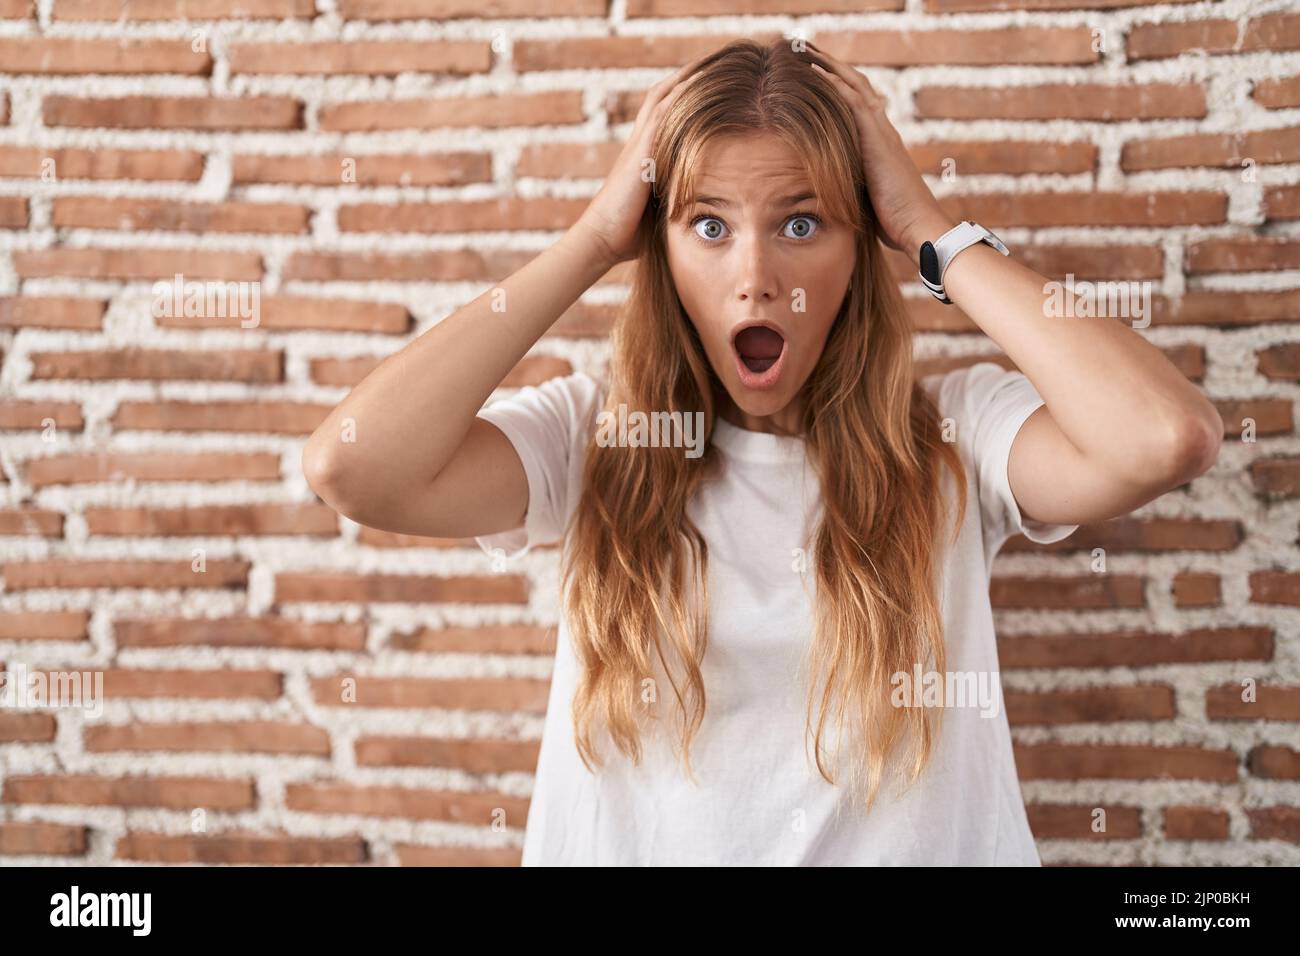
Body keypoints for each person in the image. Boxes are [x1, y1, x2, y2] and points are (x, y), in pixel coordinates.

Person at [303, 38, 1223, 865]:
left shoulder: (957, 436)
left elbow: (1164, 437)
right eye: (708, 226)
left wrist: (929, 229)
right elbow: (353, 467)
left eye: (800, 222)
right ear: (657, 253)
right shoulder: (591, 440)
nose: (754, 278)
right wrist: (591, 241)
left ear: (860, 252)